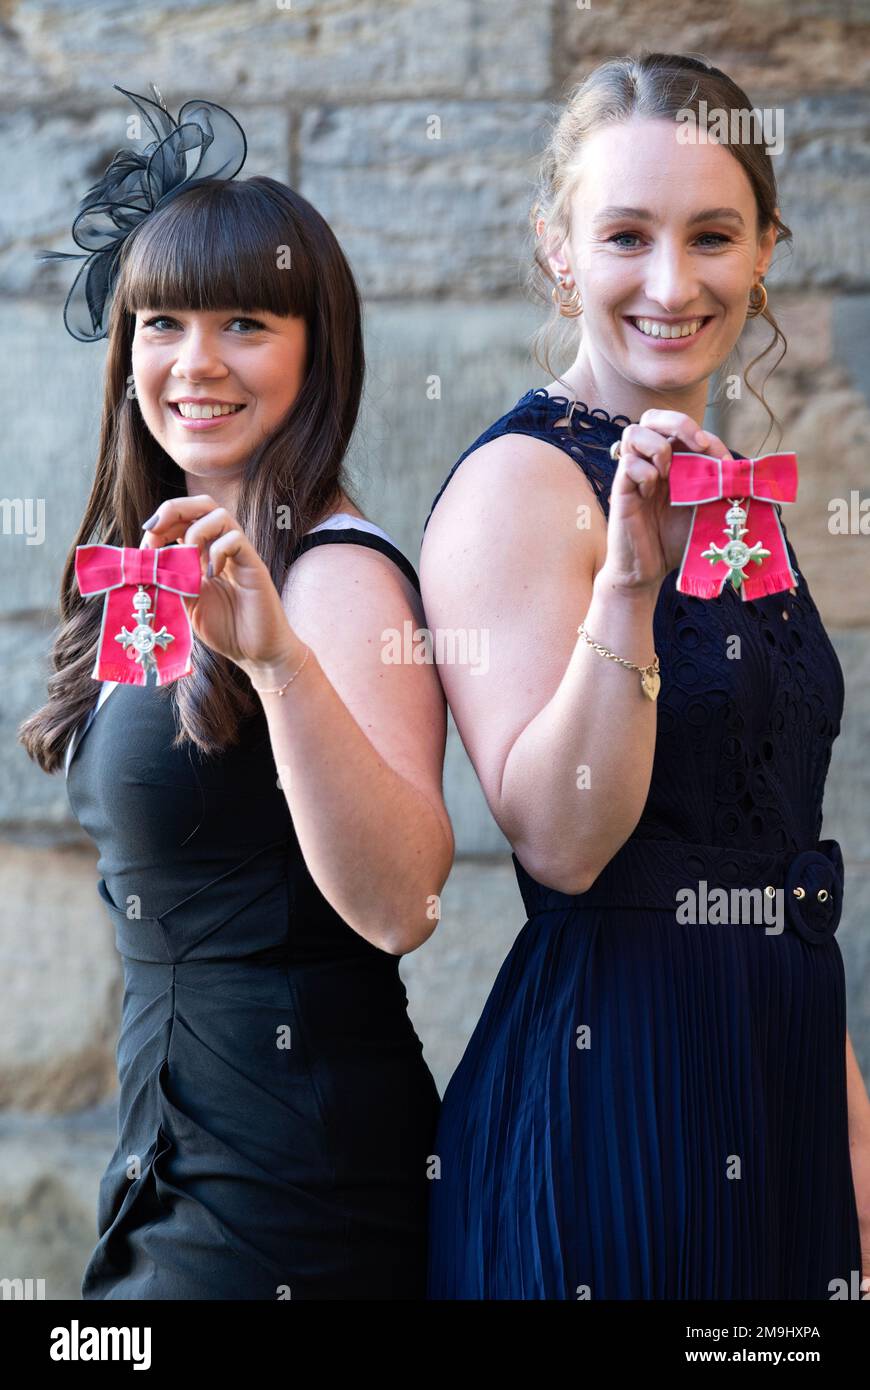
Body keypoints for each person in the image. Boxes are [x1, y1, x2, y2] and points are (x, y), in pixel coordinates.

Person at [420, 52, 870, 1299]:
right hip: (615, 1104)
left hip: (776, 1099)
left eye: (713, 235)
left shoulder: (733, 494)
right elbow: (563, 842)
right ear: (559, 249)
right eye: (626, 235)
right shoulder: (523, 484)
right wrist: (627, 577)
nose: (674, 283)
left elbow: (771, 849)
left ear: (765, 248)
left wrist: (851, 1139)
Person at [20, 86, 453, 1300]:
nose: (193, 362)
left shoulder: (334, 573)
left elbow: (405, 902)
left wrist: (279, 663)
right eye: (160, 323)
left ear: (318, 350)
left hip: (293, 1187)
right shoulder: (162, 567)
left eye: (245, 323)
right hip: (172, 1163)